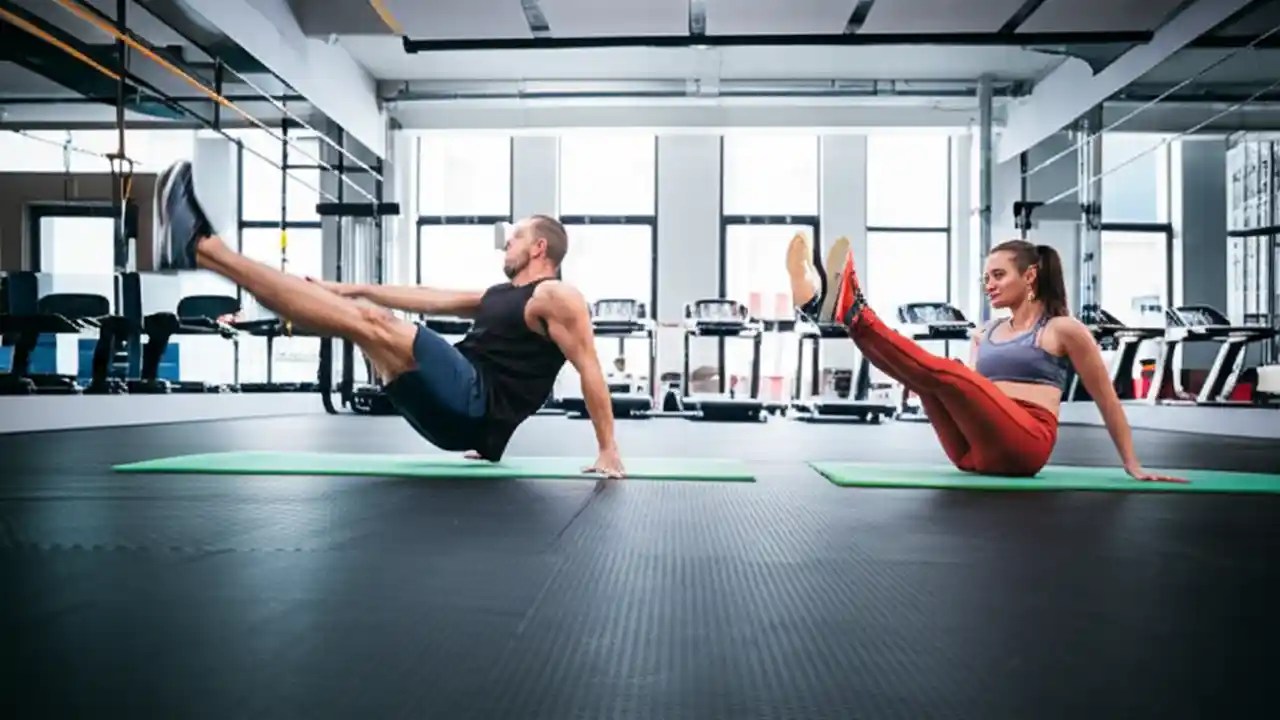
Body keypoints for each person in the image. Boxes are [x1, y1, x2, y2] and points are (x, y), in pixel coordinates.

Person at [151, 160, 625, 478]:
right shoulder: (501, 294)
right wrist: (349, 288)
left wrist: (608, 450)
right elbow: (427, 297)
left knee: (370, 324)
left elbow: (589, 368)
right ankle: (203, 252)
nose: (507, 243)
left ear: (539, 247)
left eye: (516, 237)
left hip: (470, 405)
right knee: (365, 318)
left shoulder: (558, 296)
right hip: (456, 417)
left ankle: (202, 247)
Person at [791, 239, 1183, 482]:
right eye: (985, 277)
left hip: (1025, 446)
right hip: (972, 454)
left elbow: (1107, 399)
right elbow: (972, 400)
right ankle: (839, 318)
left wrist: (1132, 463)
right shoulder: (985, 332)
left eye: (998, 275)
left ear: (1030, 277)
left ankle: (855, 311)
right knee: (929, 382)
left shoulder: (1064, 329)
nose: (989, 285)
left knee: (949, 374)